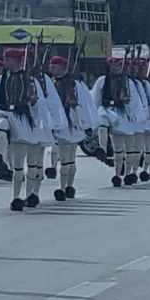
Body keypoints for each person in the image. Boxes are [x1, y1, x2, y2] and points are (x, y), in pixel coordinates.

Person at [0, 48, 54, 212]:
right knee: (2, 125)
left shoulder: (31, 80)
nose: (5, 62)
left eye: (8, 59)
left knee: (32, 164)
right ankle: (1, 161)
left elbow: (40, 106)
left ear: (16, 61)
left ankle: (31, 194)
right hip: (6, 115)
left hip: (26, 120)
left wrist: (41, 120)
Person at [43, 53, 97, 201]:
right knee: (63, 155)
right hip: (57, 123)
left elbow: (84, 105)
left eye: (55, 65)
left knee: (69, 157)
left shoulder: (75, 84)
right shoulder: (50, 83)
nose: (51, 67)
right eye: (51, 65)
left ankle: (66, 186)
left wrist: (85, 123)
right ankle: (64, 186)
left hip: (71, 122)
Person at [94, 57, 143, 186]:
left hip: (122, 113)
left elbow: (134, 100)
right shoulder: (102, 81)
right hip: (107, 110)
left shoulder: (127, 82)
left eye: (118, 65)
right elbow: (96, 98)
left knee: (123, 148)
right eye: (113, 65)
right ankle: (102, 149)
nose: (115, 67)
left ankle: (125, 174)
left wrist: (133, 115)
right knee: (102, 122)